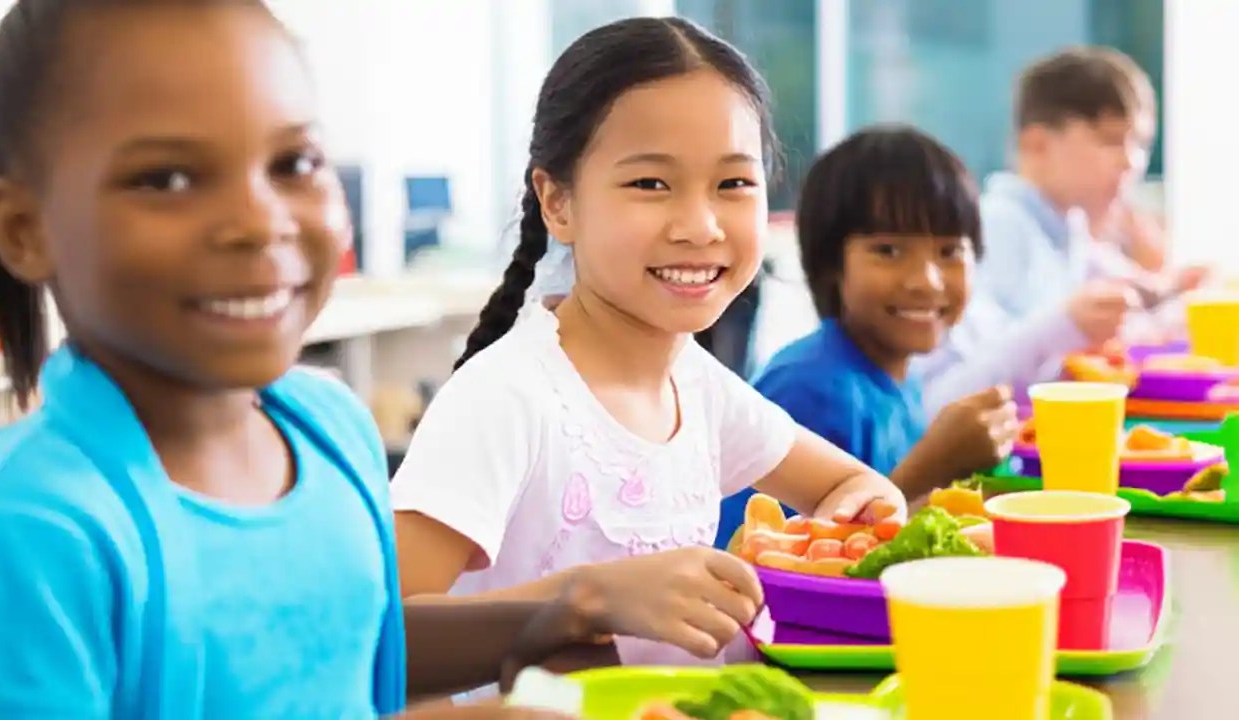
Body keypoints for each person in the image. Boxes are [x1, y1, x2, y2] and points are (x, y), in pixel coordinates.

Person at [0, 2, 625, 717]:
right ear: (25, 229)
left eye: (294, 163)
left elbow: (349, 655)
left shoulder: (329, 425)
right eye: (168, 179)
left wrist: (559, 614)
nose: (259, 220)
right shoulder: (33, 525)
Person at [389, 17, 905, 669]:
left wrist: (851, 530)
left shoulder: (696, 383)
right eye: (650, 184)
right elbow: (379, 636)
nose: (700, 225)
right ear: (558, 203)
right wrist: (587, 598)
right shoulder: (507, 397)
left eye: (733, 183)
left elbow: (852, 487)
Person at [716, 126, 1018, 547]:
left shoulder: (899, 373)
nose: (927, 281)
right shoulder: (807, 387)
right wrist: (930, 468)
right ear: (830, 265)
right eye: (889, 250)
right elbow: (767, 556)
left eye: (950, 251)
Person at [915, 46, 1161, 414]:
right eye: (1111, 140)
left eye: (1139, 143)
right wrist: (1064, 325)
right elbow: (943, 400)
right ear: (1037, 144)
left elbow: (1141, 293)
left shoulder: (1067, 229)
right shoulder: (997, 229)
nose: (1132, 162)